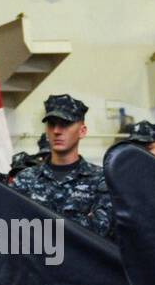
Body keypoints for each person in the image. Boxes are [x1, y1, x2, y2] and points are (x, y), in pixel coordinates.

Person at [11, 94, 111, 237]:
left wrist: (37, 221)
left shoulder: (100, 180)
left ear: (82, 131)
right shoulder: (26, 179)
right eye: (51, 124)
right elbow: (13, 228)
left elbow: (101, 230)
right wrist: (80, 220)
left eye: (65, 124)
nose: (57, 131)